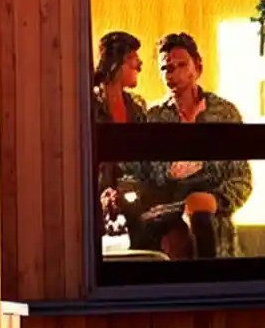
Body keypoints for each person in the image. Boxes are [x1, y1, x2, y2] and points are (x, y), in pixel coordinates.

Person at [139, 32, 252, 259]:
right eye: (166, 68)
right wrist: (168, 173)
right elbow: (144, 175)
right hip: (168, 228)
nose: (173, 73)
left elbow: (242, 178)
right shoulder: (153, 117)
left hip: (217, 228)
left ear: (197, 67)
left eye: (181, 65)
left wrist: (215, 201)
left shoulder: (224, 113)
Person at [91, 31, 153, 244]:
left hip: (130, 196)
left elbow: (144, 154)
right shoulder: (89, 102)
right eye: (136, 61)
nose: (140, 67)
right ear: (117, 63)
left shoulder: (137, 106)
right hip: (92, 196)